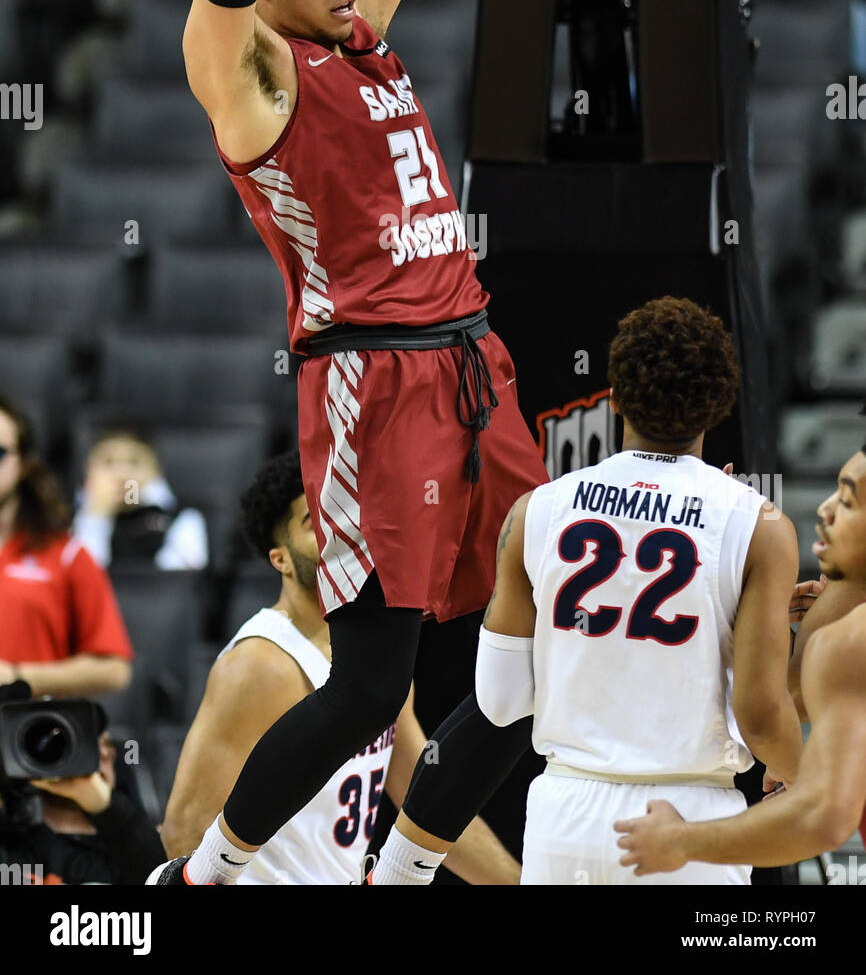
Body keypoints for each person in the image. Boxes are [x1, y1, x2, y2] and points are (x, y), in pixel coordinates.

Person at [150, 0, 549, 888]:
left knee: (529, 643)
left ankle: (410, 868)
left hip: (469, 358)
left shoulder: (355, 28)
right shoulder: (249, 74)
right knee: (373, 682)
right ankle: (203, 874)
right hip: (371, 378)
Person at [474, 296, 802, 885]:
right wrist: (806, 777)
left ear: (615, 398)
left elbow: (498, 703)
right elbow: (759, 713)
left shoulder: (535, 512)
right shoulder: (758, 527)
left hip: (563, 820)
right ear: (719, 405)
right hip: (691, 822)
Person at [159, 450, 518, 884]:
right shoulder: (261, 663)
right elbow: (184, 832)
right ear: (281, 560)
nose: (343, 535)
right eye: (316, 524)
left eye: (347, 518)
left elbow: (425, 804)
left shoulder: (380, 662)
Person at [615, 441, 866, 875]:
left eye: (846, 500)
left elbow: (819, 817)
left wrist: (679, 840)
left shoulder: (849, 644)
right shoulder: (843, 640)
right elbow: (795, 690)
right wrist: (752, 614)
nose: (824, 510)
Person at [0, 395, 133, 697]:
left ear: (23, 465)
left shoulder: (68, 555)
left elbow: (114, 669)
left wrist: (17, 677)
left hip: (25, 734)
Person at [0, 682, 165, 885]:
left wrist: (107, 807)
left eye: (103, 744)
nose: (102, 754)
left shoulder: (138, 837)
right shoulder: (12, 839)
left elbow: (162, 877)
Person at [73, 429, 208, 571]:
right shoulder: (66, 523)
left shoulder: (182, 520)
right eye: (109, 462)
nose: (121, 475)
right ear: (88, 472)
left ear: (155, 472)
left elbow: (169, 585)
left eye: (134, 463)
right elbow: (82, 583)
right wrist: (96, 516)